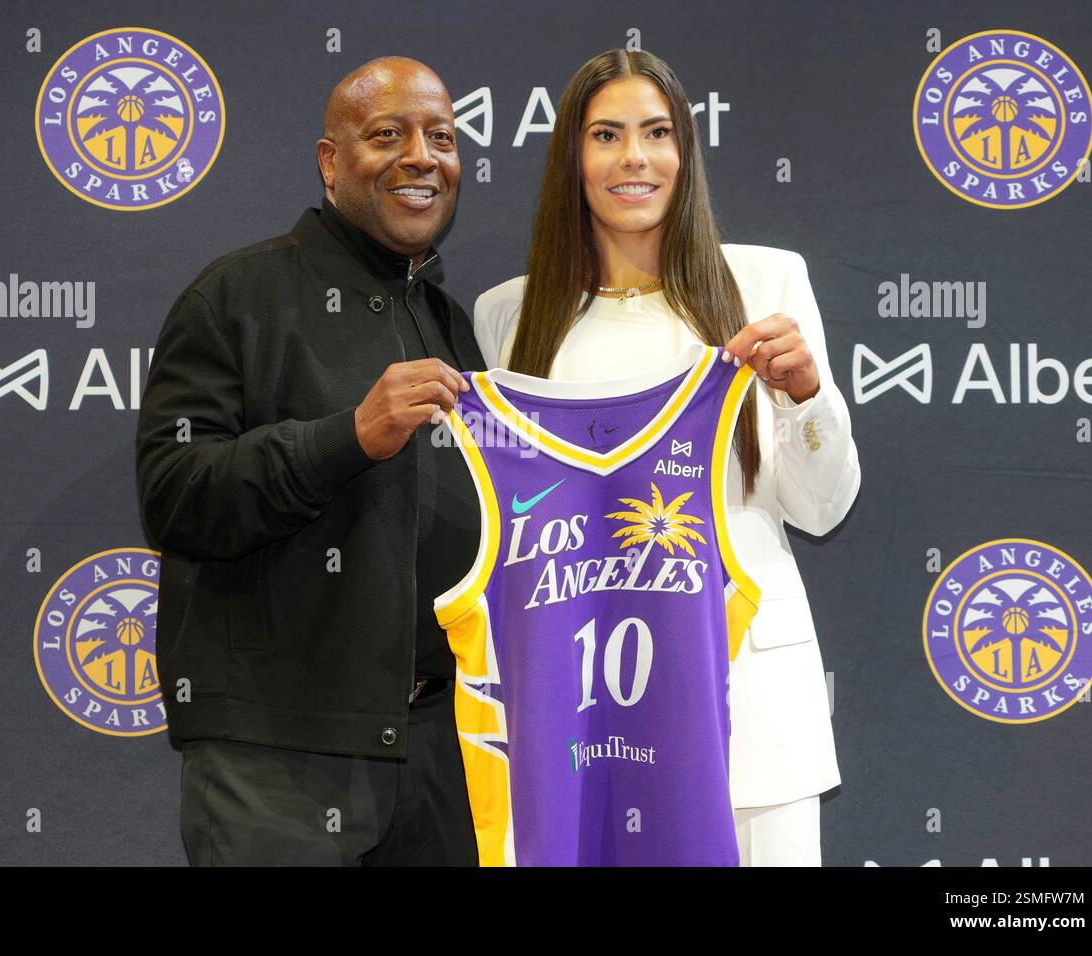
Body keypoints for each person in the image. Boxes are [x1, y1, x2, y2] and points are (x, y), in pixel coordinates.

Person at [473, 49, 861, 866]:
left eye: (656, 132)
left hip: (752, 706)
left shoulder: (766, 283)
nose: (633, 158)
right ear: (571, 159)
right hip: (585, 717)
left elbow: (824, 507)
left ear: (685, 149)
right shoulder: (508, 316)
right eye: (606, 135)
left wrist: (805, 398)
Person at [135, 56, 484, 865]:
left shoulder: (450, 322)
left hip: (443, 752)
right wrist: (349, 436)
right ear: (331, 163)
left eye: (440, 136)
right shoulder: (234, 297)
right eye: (386, 134)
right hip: (278, 760)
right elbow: (176, 496)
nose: (421, 156)